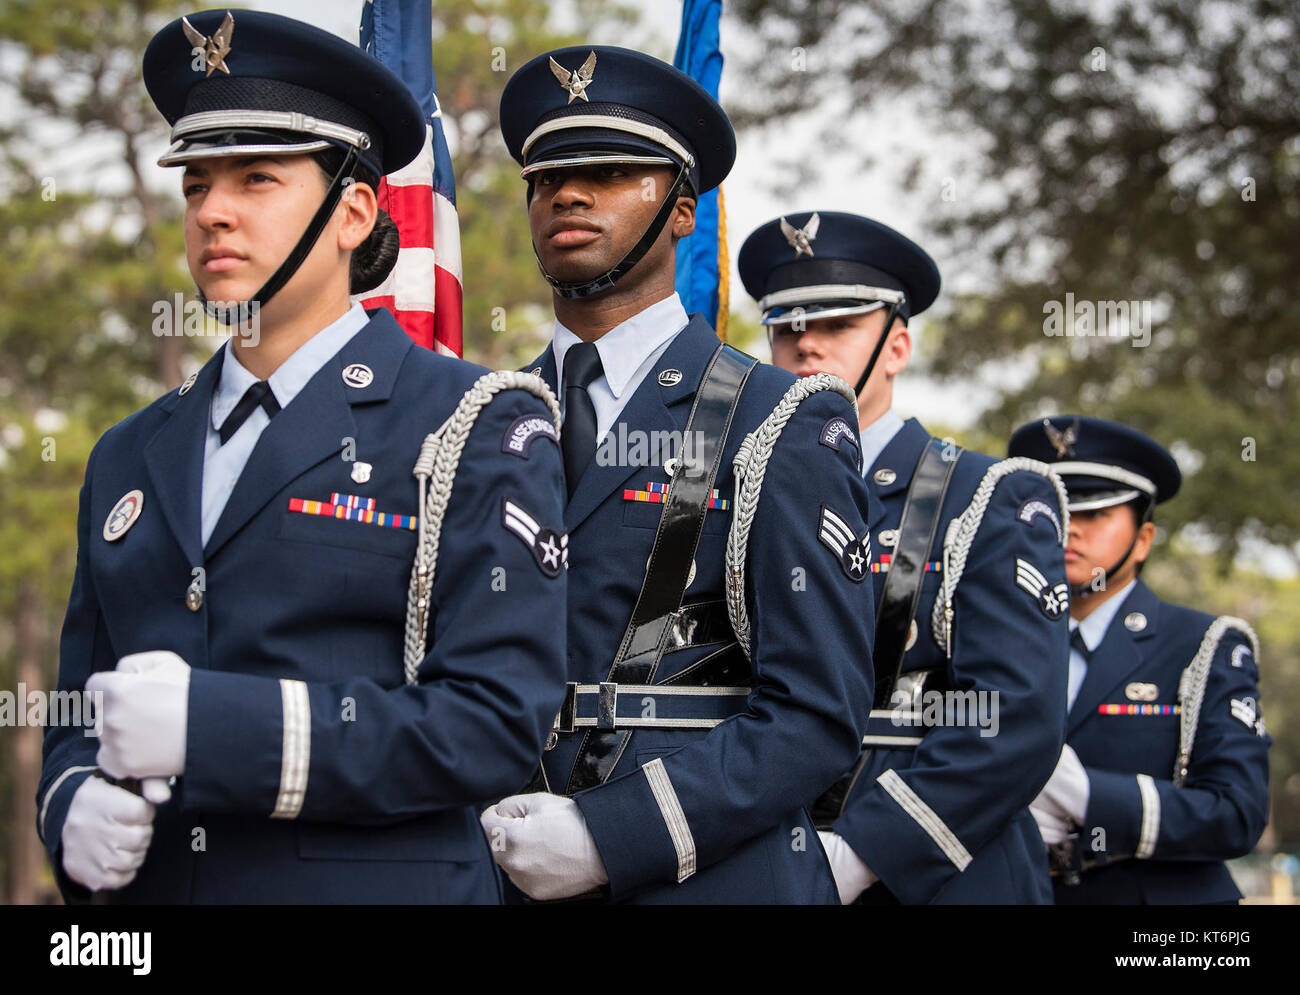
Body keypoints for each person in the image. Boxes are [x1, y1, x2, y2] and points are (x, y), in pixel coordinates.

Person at [37, 9, 568, 904]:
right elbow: (77, 707)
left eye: (256, 178)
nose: (213, 211)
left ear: (353, 211)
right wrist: (67, 801)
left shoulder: (476, 424)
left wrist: (220, 729)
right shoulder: (128, 453)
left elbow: (494, 721)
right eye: (197, 182)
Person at [478, 47, 876, 904]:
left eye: (610, 172)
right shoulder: (484, 419)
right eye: (547, 179)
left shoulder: (781, 418)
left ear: (684, 211)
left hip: (704, 878)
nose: (569, 196)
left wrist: (609, 835)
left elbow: (817, 710)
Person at [739, 211, 1070, 903]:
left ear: (897, 346)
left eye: (836, 325)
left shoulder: (990, 495)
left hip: (939, 876)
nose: (806, 347)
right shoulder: (742, 490)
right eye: (786, 327)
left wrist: (860, 855)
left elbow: (1012, 718)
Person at [1009, 415, 1271, 903]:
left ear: (1144, 538)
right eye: (1054, 512)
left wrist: (1090, 797)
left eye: (1094, 514)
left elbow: (1239, 813)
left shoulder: (1204, 646)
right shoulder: (987, 640)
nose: (1070, 531)